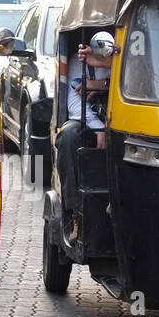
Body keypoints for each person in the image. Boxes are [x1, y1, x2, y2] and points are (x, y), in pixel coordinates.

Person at [55, 32, 112, 241]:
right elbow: (74, 103)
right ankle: (74, 213)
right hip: (90, 122)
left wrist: (103, 79)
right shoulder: (77, 63)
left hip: (122, 123)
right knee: (68, 135)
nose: (101, 48)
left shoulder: (126, 61)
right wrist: (99, 128)